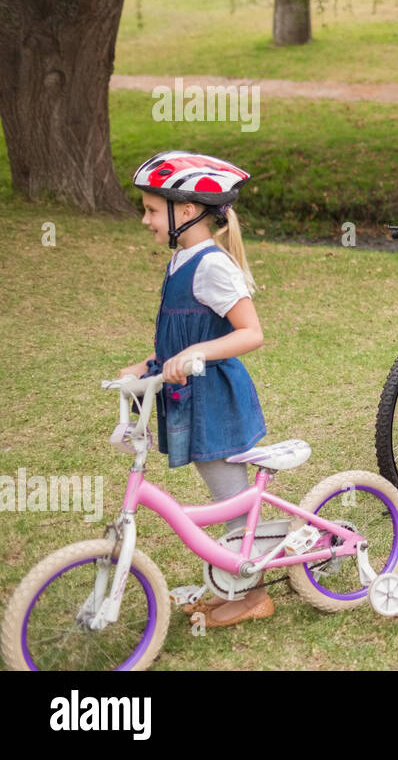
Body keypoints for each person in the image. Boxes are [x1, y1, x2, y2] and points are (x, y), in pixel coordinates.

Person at [120, 151, 271, 628]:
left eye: (150, 209)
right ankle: (237, 586)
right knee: (221, 489)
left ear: (185, 211)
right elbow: (183, 332)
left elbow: (251, 333)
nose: (145, 219)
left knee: (230, 497)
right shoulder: (182, 260)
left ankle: (254, 596)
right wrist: (152, 363)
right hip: (190, 394)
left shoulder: (210, 264)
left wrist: (197, 354)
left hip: (216, 400)